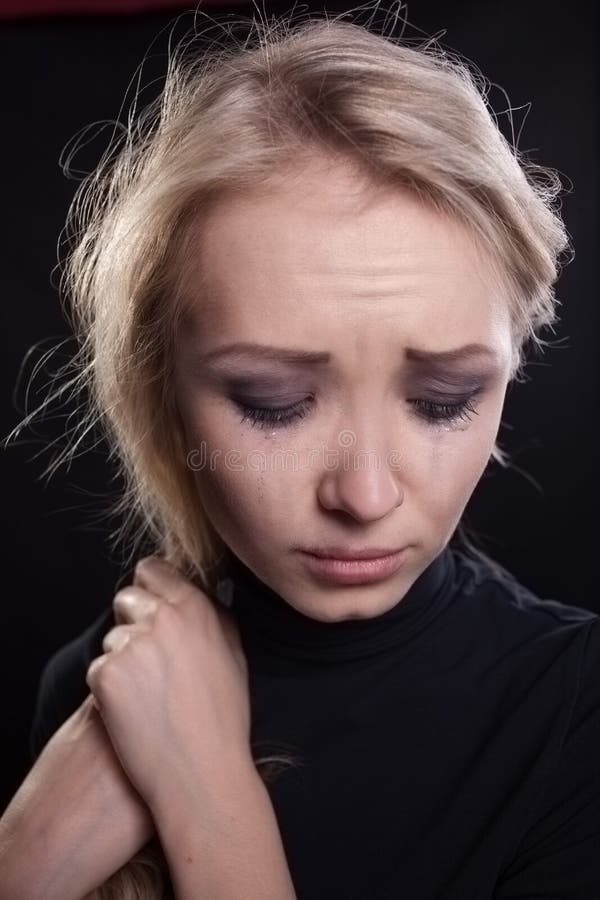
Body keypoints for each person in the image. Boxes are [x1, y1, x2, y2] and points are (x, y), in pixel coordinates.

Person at [1, 7, 598, 900]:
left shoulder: (577, 709)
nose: (365, 494)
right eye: (273, 403)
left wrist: (205, 787)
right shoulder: (100, 682)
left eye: (444, 400)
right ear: (161, 386)